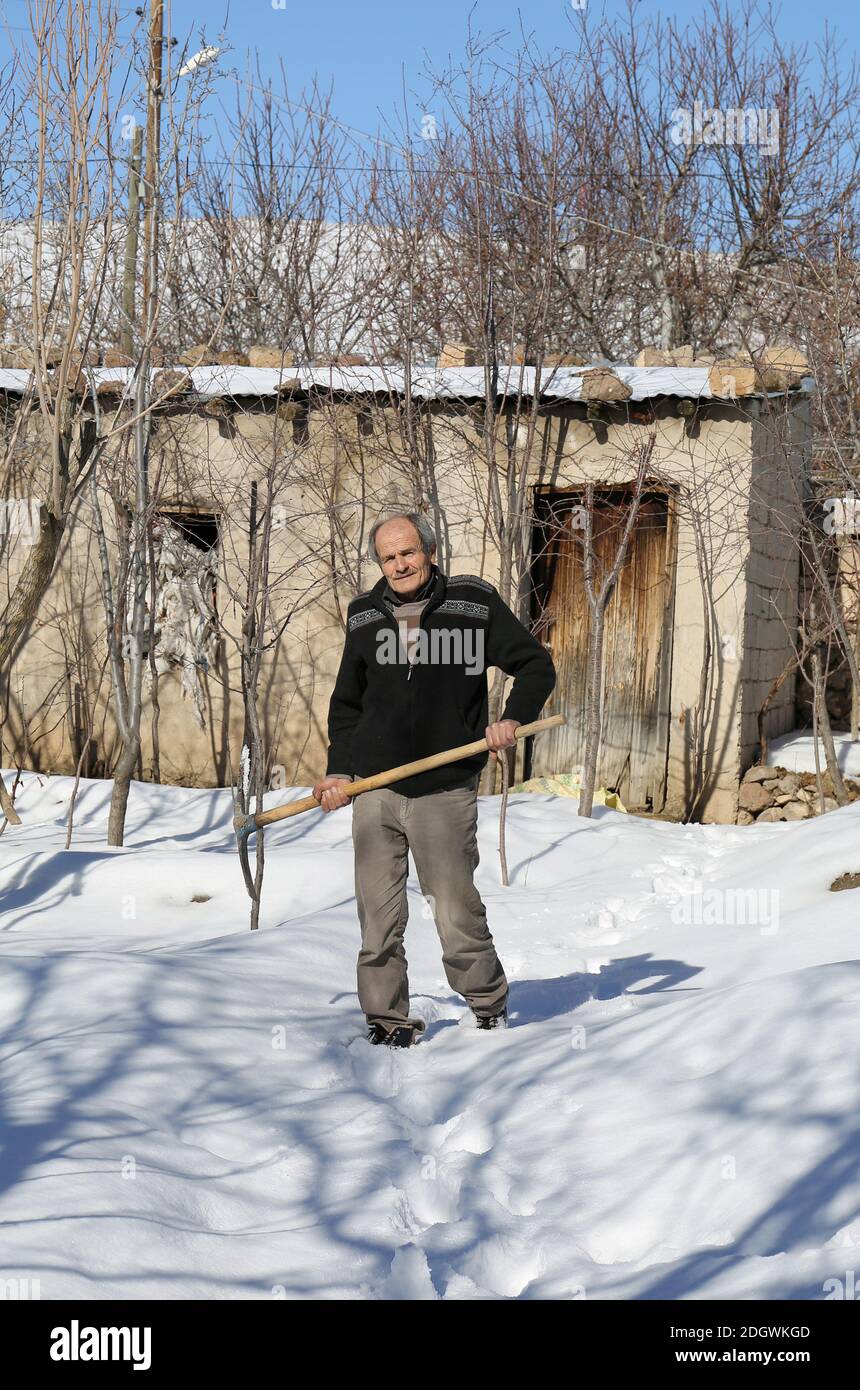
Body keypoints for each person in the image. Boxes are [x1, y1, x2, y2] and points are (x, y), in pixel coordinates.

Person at [313, 512, 556, 1046]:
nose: (399, 565)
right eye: (388, 557)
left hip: (443, 787)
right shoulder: (363, 616)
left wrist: (512, 717)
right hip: (374, 788)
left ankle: (488, 1004)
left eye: (408, 553)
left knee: (453, 907)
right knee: (377, 914)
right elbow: (347, 702)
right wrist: (339, 768)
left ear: (429, 552)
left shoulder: (472, 605)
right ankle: (386, 1017)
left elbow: (535, 664)